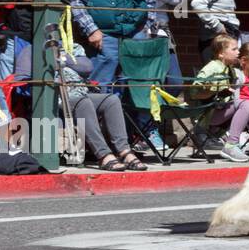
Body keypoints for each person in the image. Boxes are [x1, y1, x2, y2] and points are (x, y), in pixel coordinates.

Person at [69, 0, 161, 150]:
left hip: (135, 35)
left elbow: (150, 1)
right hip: (105, 36)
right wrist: (91, 29)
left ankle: (140, 137)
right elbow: (76, 1)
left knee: (139, 86)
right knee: (101, 89)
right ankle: (97, 145)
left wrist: (146, 28)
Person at [13, 43, 148, 171]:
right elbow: (21, 81)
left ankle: (124, 151)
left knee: (111, 100)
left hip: (79, 92)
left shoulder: (71, 47)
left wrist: (62, 59)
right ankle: (103, 155)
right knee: (83, 102)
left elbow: (87, 67)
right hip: (54, 98)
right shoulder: (31, 50)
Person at [188, 33, 245, 161]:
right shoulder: (212, 67)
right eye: (234, 49)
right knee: (244, 104)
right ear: (221, 54)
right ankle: (230, 144)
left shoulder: (230, 69)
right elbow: (193, 91)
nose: (238, 52)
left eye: (238, 49)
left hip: (222, 110)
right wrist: (216, 91)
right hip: (208, 115)